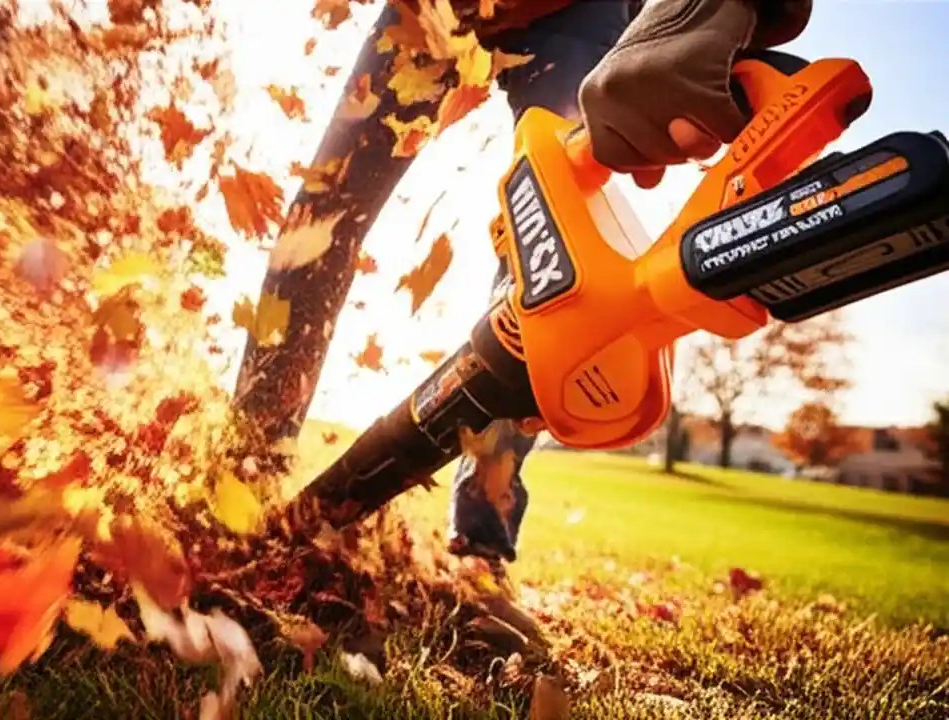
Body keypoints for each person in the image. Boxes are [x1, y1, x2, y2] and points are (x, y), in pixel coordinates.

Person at [236, 0, 813, 562]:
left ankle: (479, 539)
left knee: (554, 252)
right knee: (326, 209)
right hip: (432, 10)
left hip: (579, 11)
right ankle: (242, 472)